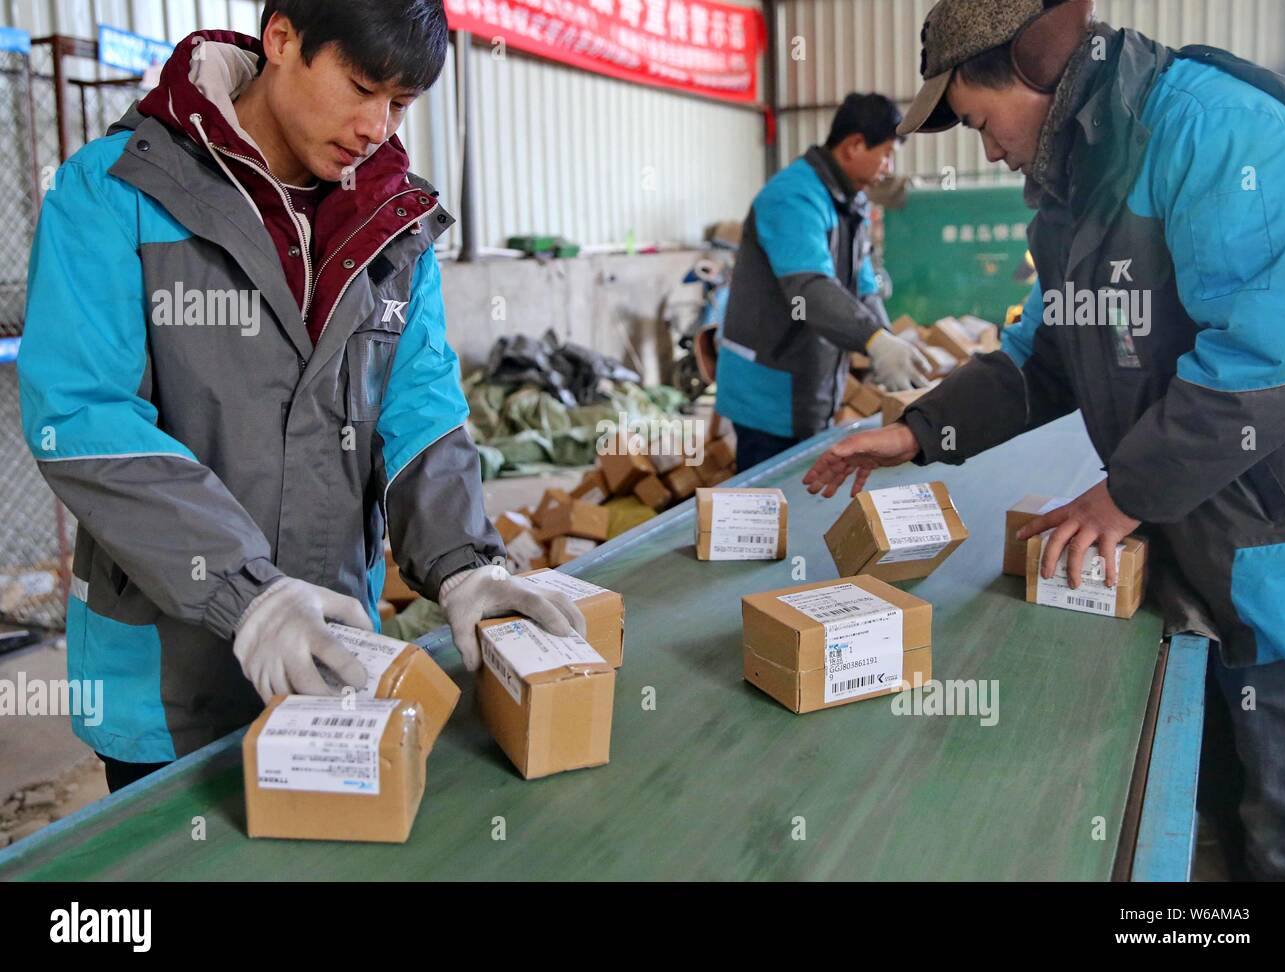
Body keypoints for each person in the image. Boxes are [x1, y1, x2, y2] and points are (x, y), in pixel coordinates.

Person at [18, 0, 583, 793]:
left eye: (401, 104)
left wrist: (463, 563)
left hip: (332, 652)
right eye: (360, 87)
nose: (378, 126)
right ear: (281, 38)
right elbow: (84, 414)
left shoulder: (394, 221)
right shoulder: (115, 192)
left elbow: (416, 398)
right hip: (165, 676)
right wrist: (244, 592)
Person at [804, 0, 1285, 880]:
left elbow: (1267, 364)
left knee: (1283, 808)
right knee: (1215, 795)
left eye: (982, 121)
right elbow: (1045, 354)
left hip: (1277, 538)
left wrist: (1119, 497)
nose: (987, 148)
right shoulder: (1072, 192)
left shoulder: (1213, 130)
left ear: (1034, 66)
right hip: (1200, 531)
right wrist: (917, 433)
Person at [715, 93, 930, 472]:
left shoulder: (850, 203)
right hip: (768, 393)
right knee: (765, 512)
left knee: (802, 497)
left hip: (813, 385)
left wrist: (889, 339)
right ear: (853, 146)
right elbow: (810, 287)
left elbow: (863, 285)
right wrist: (874, 341)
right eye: (886, 154)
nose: (888, 167)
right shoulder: (792, 197)